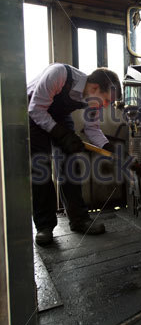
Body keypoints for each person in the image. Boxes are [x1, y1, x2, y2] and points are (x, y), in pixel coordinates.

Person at [27, 63, 121, 246]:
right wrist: (62, 134)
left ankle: (79, 220)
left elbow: (92, 128)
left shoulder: (92, 98)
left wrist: (109, 148)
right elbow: (36, 109)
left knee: (71, 166)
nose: (106, 106)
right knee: (41, 167)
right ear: (95, 87)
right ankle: (44, 227)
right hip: (33, 110)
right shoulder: (59, 74)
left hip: (58, 115)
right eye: (106, 100)